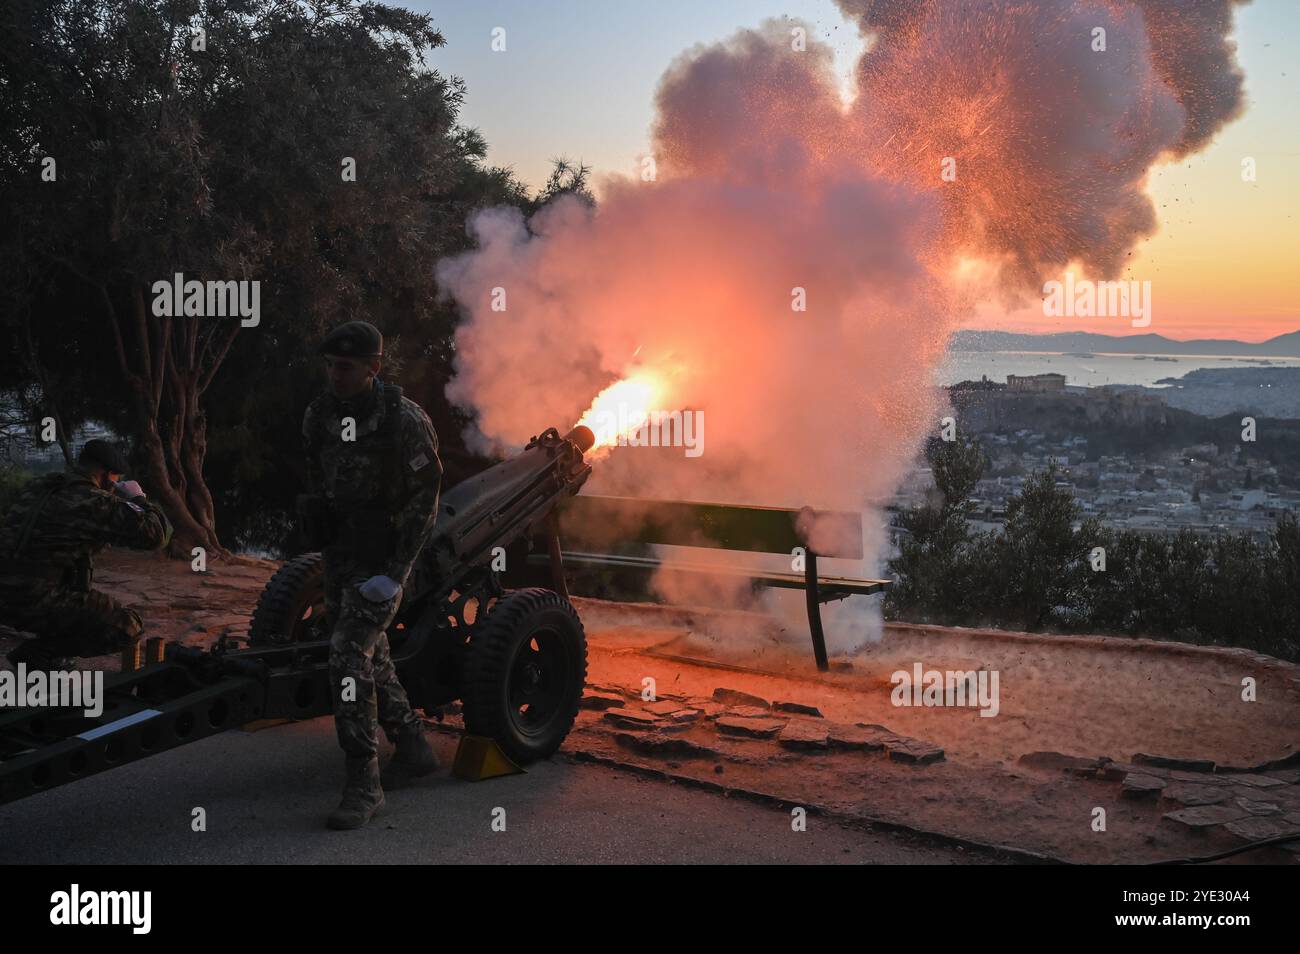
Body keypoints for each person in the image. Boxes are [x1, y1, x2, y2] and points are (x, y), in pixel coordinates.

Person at [300, 320, 443, 830]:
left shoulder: (404, 420)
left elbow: (426, 498)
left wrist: (396, 573)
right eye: (330, 365)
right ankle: (414, 746)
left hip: (386, 559)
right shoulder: (319, 414)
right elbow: (317, 474)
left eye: (345, 366)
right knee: (372, 655)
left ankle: (364, 784)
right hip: (342, 555)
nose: (335, 374)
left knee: (347, 654)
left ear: (373, 368)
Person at [0, 439, 172, 670]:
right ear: (105, 475)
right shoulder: (93, 500)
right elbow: (157, 535)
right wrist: (137, 498)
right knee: (126, 626)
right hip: (34, 600)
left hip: (6, 596)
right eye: (115, 480)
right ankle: (39, 654)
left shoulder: (38, 487)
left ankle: (45, 652)